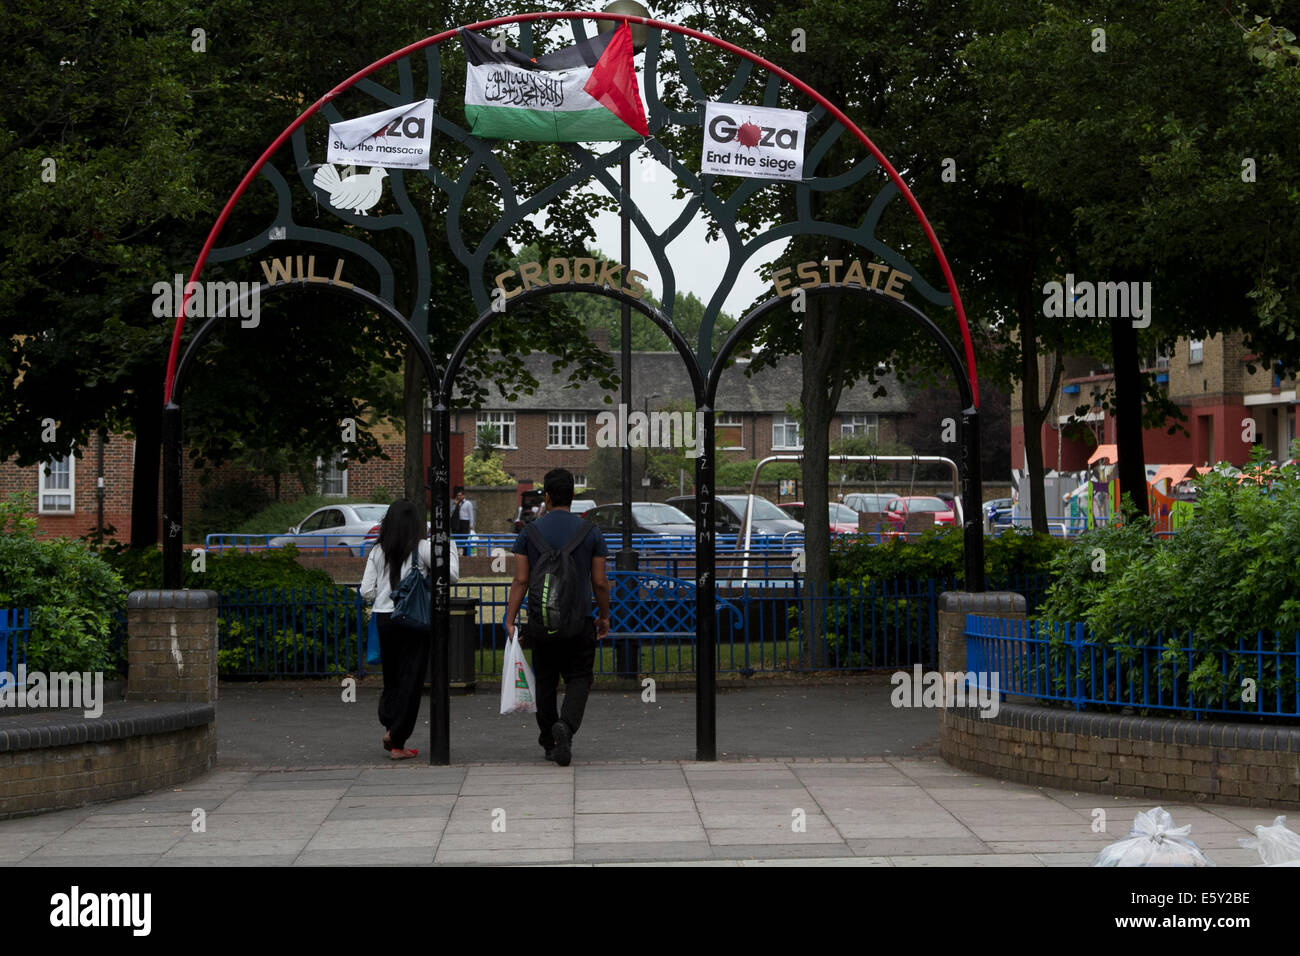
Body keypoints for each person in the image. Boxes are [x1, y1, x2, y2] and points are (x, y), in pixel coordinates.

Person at [504, 468, 610, 766]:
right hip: (579, 621)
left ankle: (550, 740)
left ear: (546, 497)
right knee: (579, 677)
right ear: (573, 497)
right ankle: (567, 725)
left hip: (541, 622)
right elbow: (600, 582)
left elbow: (521, 581)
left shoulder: (529, 532)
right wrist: (604, 616)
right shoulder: (591, 532)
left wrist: (510, 619)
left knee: (546, 680)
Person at [360, 499, 459, 760]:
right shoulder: (423, 548)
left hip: (384, 618)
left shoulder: (377, 551)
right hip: (413, 619)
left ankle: (390, 724)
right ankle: (396, 738)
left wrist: (383, 595)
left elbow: (365, 591)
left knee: (391, 677)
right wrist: (450, 546)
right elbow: (450, 575)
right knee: (412, 679)